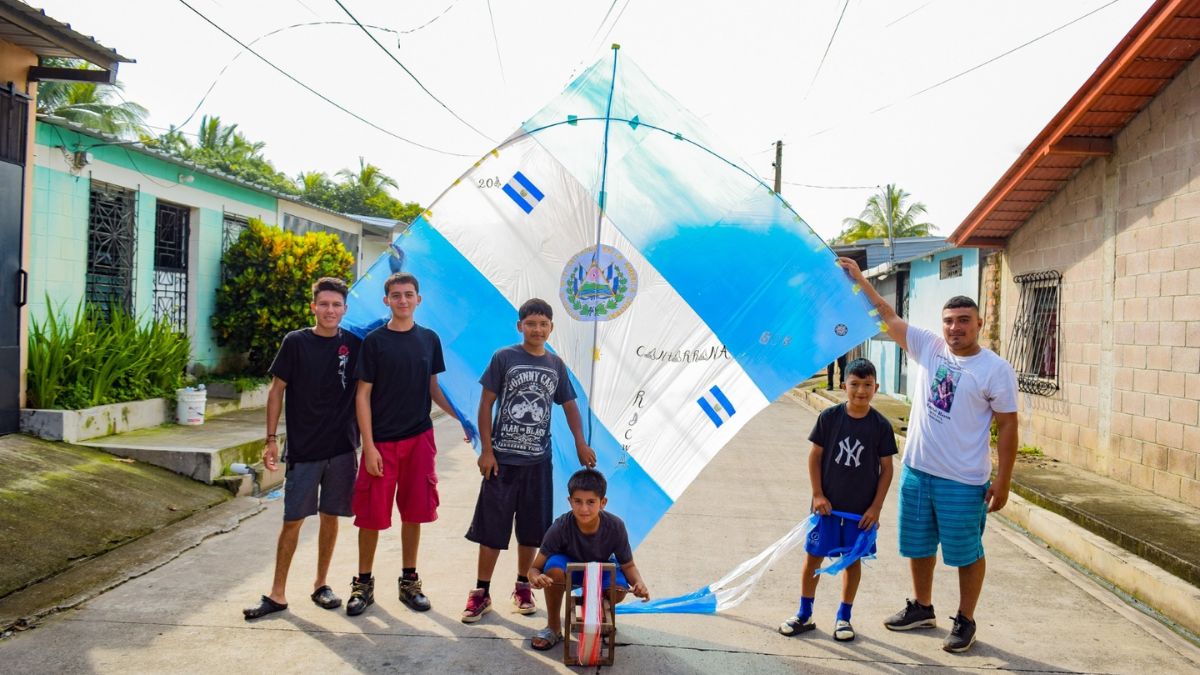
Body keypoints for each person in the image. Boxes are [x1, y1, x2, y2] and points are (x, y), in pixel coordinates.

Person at [836, 257, 1018, 654]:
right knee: (918, 546)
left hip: (964, 480)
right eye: (949, 320)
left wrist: (1003, 479)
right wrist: (860, 279)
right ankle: (922, 607)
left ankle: (965, 620)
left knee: (966, 553)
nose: (955, 328)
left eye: (963, 320)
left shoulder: (995, 370)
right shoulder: (929, 347)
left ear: (979, 325)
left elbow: (1007, 426)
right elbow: (885, 314)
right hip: (918, 472)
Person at [461, 298, 597, 624]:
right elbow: (485, 404)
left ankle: (523, 586)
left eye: (543, 324)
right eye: (531, 323)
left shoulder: (555, 364)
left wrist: (580, 442)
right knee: (491, 530)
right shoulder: (504, 357)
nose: (537, 329)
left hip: (538, 462)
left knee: (532, 531)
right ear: (519, 326)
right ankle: (481, 592)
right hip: (503, 461)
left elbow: (570, 406)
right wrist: (487, 450)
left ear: (551, 328)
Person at [346, 272, 473, 616]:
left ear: (419, 299)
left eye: (408, 294)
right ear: (386, 300)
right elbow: (363, 395)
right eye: (396, 295)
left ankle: (409, 581)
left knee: (414, 512)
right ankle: (363, 584)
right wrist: (368, 447)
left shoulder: (429, 340)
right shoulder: (374, 342)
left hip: (419, 438)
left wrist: (462, 417)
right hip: (382, 443)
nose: (403, 300)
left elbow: (434, 388)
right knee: (370, 516)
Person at [243, 277, 361, 620]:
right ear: (313, 306)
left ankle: (321, 584)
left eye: (336, 305)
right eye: (323, 304)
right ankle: (277, 593)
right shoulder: (295, 342)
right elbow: (276, 391)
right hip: (304, 448)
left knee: (331, 517)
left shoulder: (354, 344)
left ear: (345, 309)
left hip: (342, 448)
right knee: (292, 519)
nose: (330, 310)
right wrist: (270, 440)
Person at [779, 357, 896, 642]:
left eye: (867, 385)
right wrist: (817, 494)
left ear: (876, 387)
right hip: (827, 508)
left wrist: (876, 508)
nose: (861, 391)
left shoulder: (880, 426)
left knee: (851, 560)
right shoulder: (829, 418)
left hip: (860, 513)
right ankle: (804, 614)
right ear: (844, 385)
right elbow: (815, 457)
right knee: (813, 558)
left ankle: (844, 618)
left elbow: (887, 468)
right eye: (855, 384)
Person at [527, 469, 650, 651]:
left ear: (603, 502)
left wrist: (639, 583)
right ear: (570, 501)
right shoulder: (560, 526)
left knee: (618, 589)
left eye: (591, 502)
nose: (584, 509)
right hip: (570, 568)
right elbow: (534, 568)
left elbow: (628, 565)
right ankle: (553, 626)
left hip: (602, 568)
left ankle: (598, 615)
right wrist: (536, 578)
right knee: (552, 569)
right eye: (578, 501)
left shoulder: (616, 526)